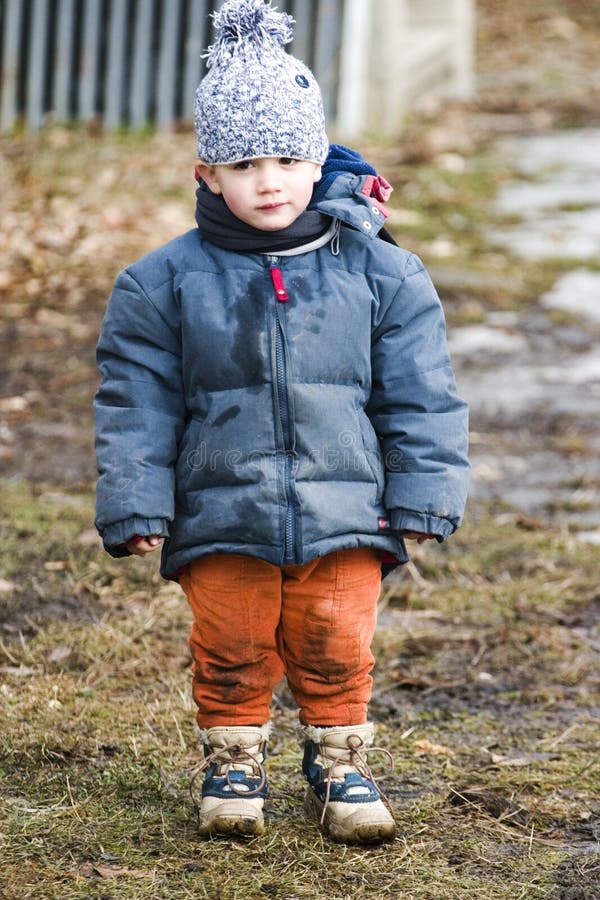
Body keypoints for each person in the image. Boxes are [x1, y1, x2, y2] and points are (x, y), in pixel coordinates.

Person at [94, 0, 470, 845]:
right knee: (229, 642)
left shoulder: (384, 275)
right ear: (206, 174)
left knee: (336, 640)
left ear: (319, 157)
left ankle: (339, 760)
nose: (269, 180)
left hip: (348, 513)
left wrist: (426, 495)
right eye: (244, 162)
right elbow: (135, 402)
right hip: (220, 511)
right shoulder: (161, 285)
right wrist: (134, 500)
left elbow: (422, 397)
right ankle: (233, 758)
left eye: (290, 158)